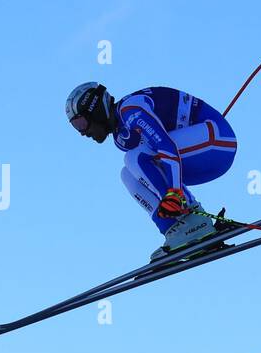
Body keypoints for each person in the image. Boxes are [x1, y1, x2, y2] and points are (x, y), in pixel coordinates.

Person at [65, 82, 237, 260]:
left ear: (95, 110)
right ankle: (175, 229)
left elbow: (166, 146)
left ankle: (195, 220)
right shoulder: (122, 135)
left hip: (218, 140)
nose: (82, 133)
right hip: (200, 155)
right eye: (76, 126)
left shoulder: (130, 110)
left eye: (81, 123)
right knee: (126, 174)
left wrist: (175, 194)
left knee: (134, 158)